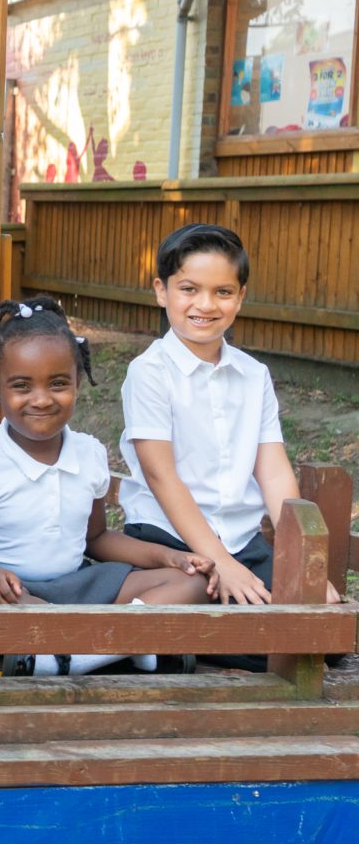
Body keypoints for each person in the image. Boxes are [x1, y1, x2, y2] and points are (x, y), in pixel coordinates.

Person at [0, 296, 212, 678]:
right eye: (21, 386)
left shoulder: (89, 453)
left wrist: (168, 557)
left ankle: (70, 657)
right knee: (7, 609)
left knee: (190, 584)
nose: (41, 399)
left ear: (78, 382)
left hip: (80, 585)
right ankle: (125, 646)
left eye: (58, 383)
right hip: (12, 591)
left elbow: (96, 537)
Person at [119, 224, 340, 609]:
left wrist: (303, 563)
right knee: (205, 612)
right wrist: (220, 562)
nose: (205, 305)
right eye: (189, 289)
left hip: (242, 541)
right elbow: (161, 476)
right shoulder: (150, 372)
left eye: (222, 292)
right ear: (161, 291)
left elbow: (274, 473)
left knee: (318, 614)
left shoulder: (253, 375)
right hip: (168, 539)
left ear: (240, 297)